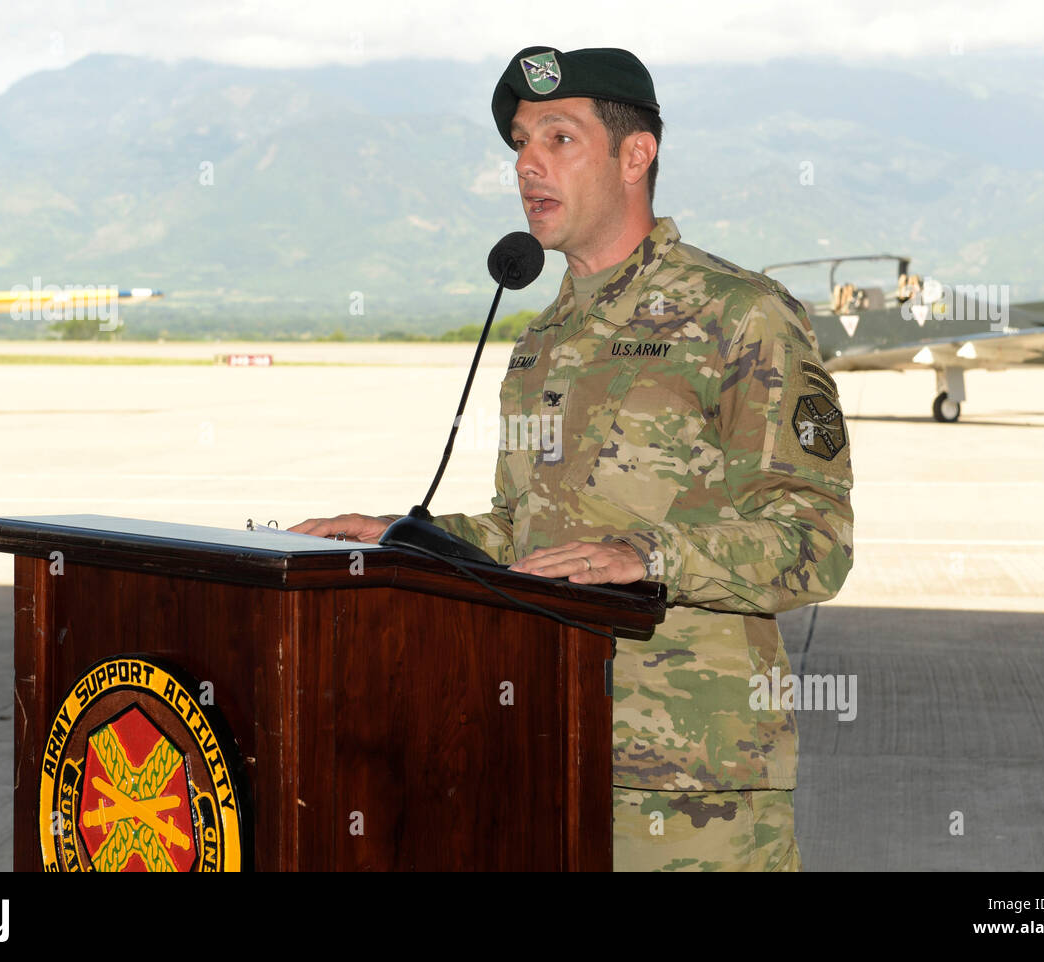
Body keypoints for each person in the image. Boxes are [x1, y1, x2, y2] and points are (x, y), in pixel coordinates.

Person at [291, 45, 854, 871]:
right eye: (520, 142)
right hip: (535, 761)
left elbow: (816, 541)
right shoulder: (539, 340)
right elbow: (527, 535)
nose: (527, 165)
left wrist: (645, 557)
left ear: (636, 154)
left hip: (689, 789)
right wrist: (408, 538)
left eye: (559, 138)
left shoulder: (741, 316)